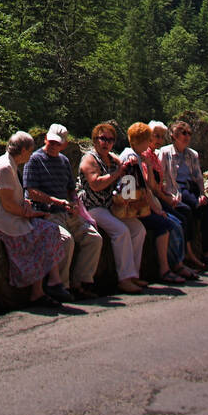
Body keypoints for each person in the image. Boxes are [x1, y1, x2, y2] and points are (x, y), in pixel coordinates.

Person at [0, 132, 72, 305]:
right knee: (44, 232)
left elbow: (12, 200)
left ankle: (48, 285)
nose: (31, 154)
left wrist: (27, 207)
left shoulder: (10, 164)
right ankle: (45, 287)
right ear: (23, 150)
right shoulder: (3, 168)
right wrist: (30, 213)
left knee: (49, 230)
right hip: (2, 220)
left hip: (11, 215)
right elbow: (7, 204)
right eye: (30, 150)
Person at [23, 123, 102, 300]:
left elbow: (70, 189)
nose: (52, 145)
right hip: (46, 212)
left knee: (94, 238)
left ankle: (81, 281)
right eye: (50, 141)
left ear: (64, 145)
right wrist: (55, 201)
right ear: (45, 139)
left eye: (57, 143)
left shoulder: (64, 161)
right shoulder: (34, 160)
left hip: (67, 211)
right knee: (66, 240)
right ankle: (61, 285)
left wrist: (74, 204)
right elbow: (31, 192)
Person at [159, 120, 208, 268]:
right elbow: (161, 177)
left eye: (189, 133)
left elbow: (198, 177)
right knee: (195, 209)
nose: (187, 136)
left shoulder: (192, 155)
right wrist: (168, 195)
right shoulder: (165, 153)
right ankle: (198, 255)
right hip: (176, 190)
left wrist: (202, 194)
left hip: (191, 189)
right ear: (174, 135)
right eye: (183, 133)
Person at [78, 122, 147, 294]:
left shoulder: (112, 158)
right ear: (95, 140)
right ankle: (124, 279)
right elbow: (95, 184)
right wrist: (117, 173)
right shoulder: (89, 159)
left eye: (110, 139)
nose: (106, 143)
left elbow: (123, 163)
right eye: (103, 139)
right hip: (93, 207)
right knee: (121, 231)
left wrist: (130, 161)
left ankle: (133, 274)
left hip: (109, 206)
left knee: (139, 229)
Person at [123, 123, 189, 284]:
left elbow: (147, 186)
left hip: (139, 204)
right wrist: (155, 209)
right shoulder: (131, 158)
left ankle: (137, 274)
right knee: (165, 225)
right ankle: (164, 269)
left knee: (175, 221)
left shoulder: (137, 156)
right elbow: (141, 190)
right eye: (150, 138)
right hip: (132, 207)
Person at [148, 121, 203, 270]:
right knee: (180, 218)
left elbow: (160, 182)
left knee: (206, 211)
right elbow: (151, 186)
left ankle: (191, 256)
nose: (159, 139)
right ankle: (180, 261)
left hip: (168, 194)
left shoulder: (153, 155)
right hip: (155, 199)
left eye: (161, 136)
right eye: (155, 136)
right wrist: (167, 197)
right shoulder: (151, 155)